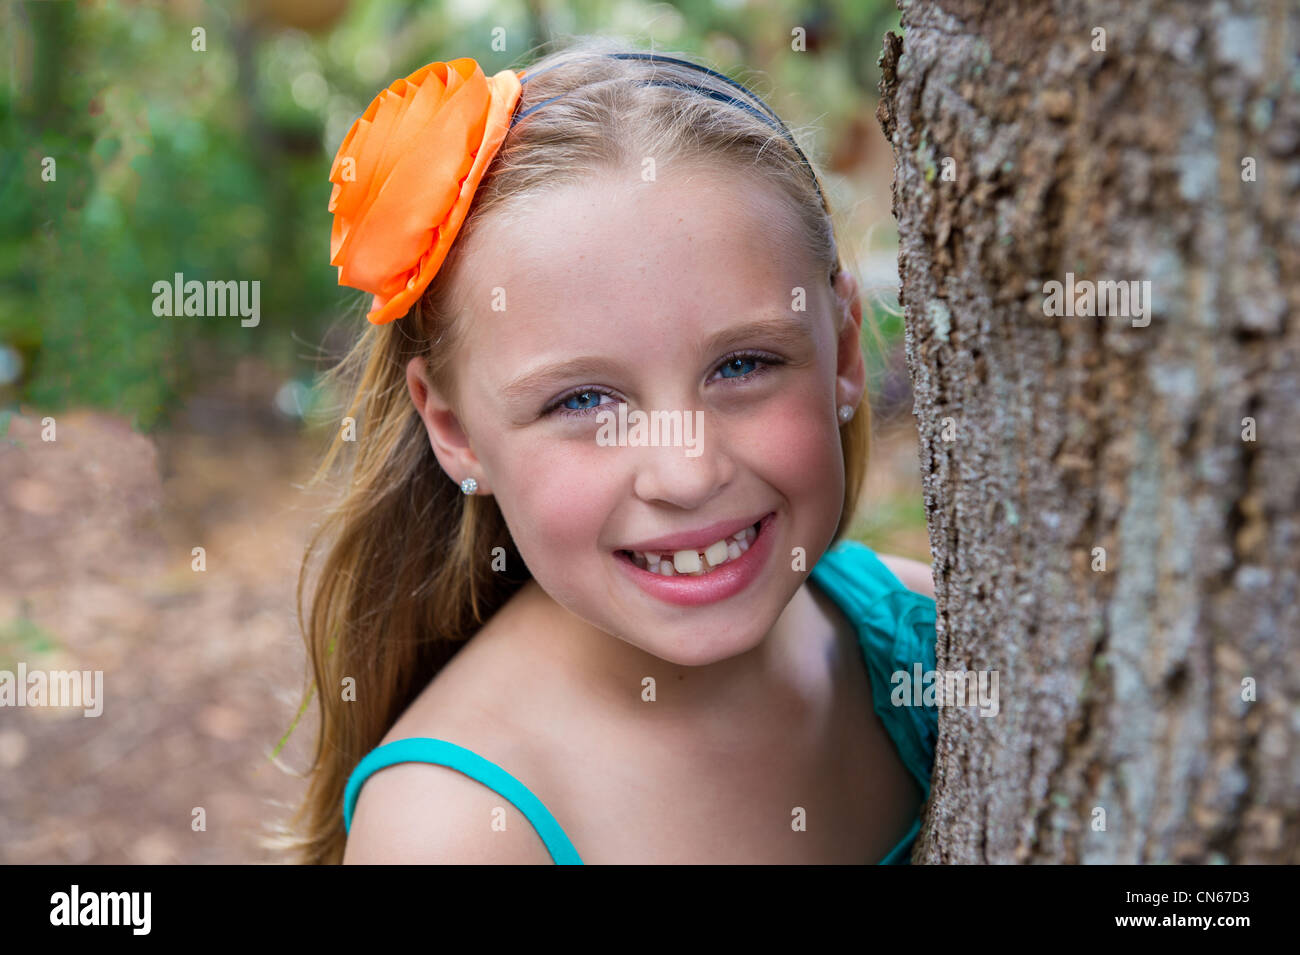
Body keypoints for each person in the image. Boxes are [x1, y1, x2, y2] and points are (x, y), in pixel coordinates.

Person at [285, 34, 939, 865]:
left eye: (743, 364)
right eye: (583, 400)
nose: (688, 470)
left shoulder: (937, 641)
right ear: (452, 431)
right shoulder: (454, 832)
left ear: (843, 351)